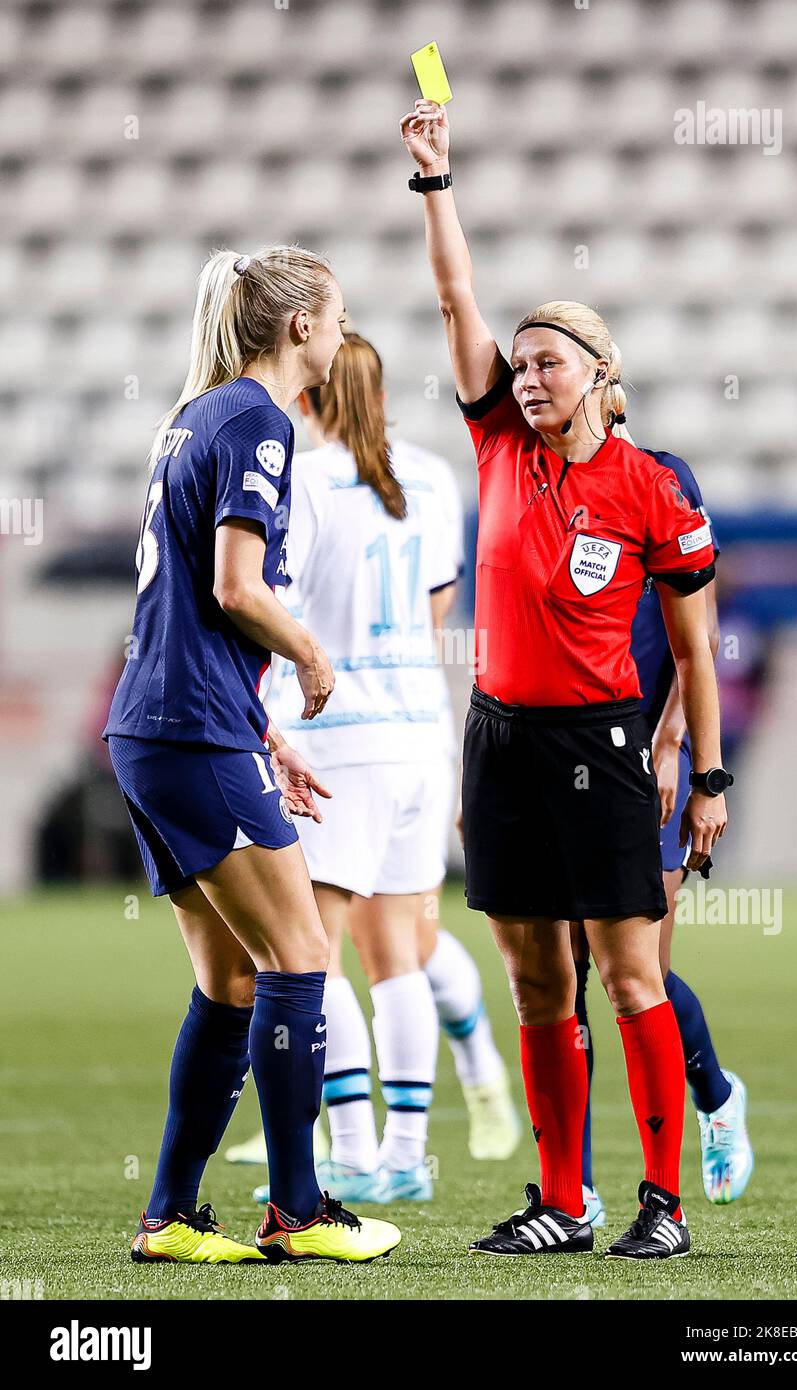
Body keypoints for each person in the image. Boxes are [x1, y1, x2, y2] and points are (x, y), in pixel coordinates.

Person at [400, 100, 731, 1260]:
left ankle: (663, 1203)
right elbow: (454, 299)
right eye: (520, 363)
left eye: (549, 364)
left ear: (602, 377)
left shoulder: (650, 489)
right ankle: (562, 1199)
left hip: (602, 743)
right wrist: (436, 184)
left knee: (630, 973)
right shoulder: (497, 442)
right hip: (497, 739)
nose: (526, 377)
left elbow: (691, 652)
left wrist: (703, 773)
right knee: (535, 976)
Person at [103, 246, 400, 1264]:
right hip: (189, 729)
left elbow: (183, 601)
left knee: (232, 981)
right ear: (298, 329)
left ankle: (171, 1217)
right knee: (300, 955)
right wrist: (310, 654)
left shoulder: (194, 416)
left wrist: (263, 728)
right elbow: (235, 586)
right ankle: (299, 1208)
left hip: (157, 726)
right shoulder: (258, 420)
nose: (344, 331)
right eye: (337, 314)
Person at [231, 332, 516, 1207]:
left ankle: (350, 1146)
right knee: (399, 957)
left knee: (306, 957)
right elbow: (439, 615)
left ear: (310, 396)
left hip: (335, 742)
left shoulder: (302, 480)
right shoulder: (432, 476)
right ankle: (407, 1154)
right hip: (420, 737)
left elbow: (260, 602)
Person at [574, 455, 753, 1227]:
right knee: (561, 975)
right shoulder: (536, 482)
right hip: (559, 755)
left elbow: (698, 632)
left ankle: (714, 1094)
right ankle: (571, 1188)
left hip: (646, 759)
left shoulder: (661, 478)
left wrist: (678, 741)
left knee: (637, 972)